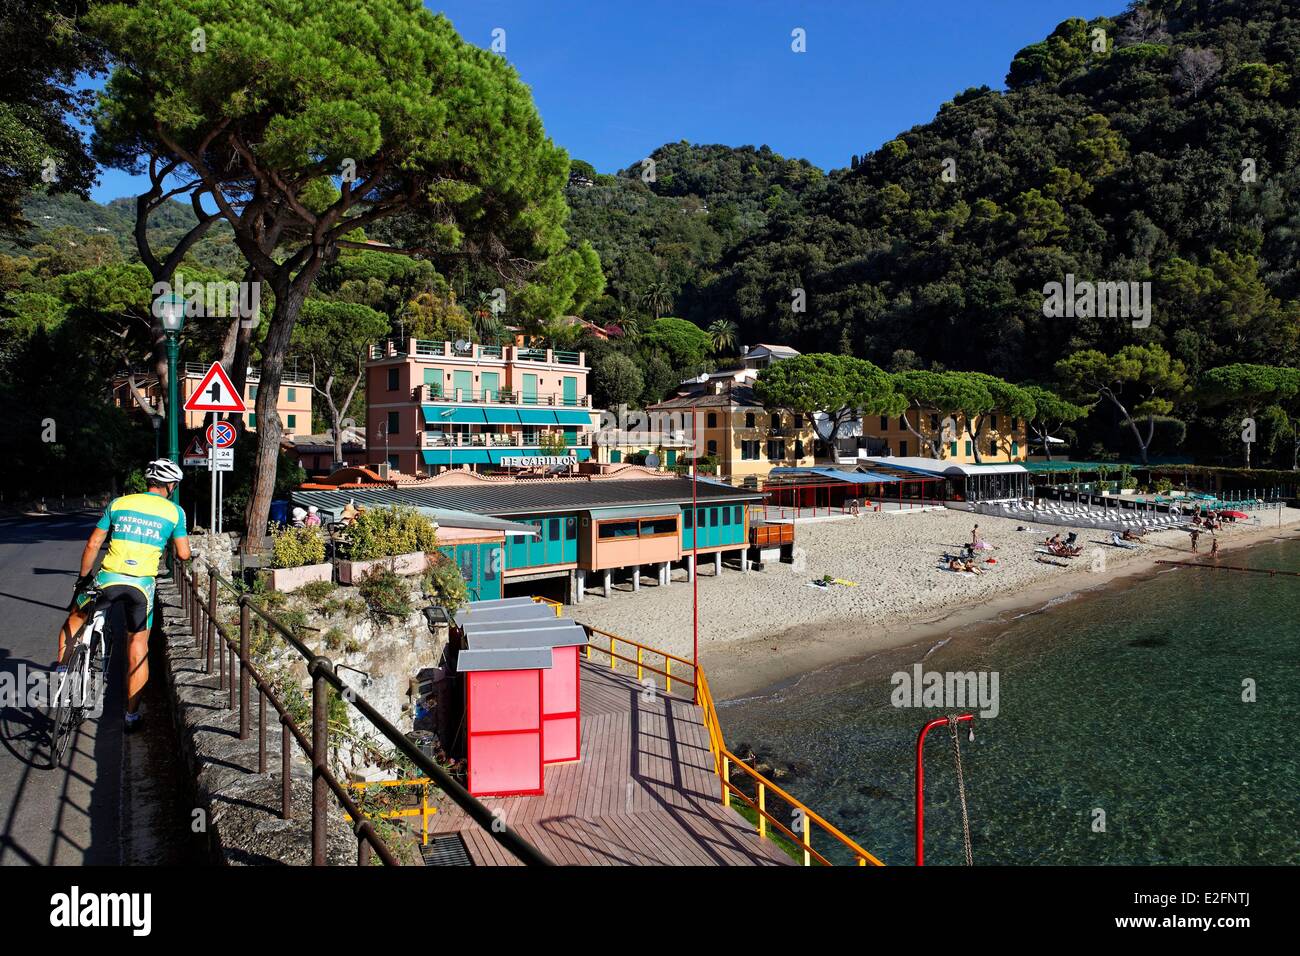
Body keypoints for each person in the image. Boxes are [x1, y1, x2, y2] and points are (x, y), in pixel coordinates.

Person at [59, 459, 190, 733]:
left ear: (148, 481)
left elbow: (94, 543)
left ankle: (64, 674)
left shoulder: (118, 504)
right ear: (170, 485)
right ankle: (131, 716)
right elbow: (183, 554)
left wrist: (83, 579)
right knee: (138, 646)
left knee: (73, 620)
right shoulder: (176, 513)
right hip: (141, 586)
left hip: (108, 579)